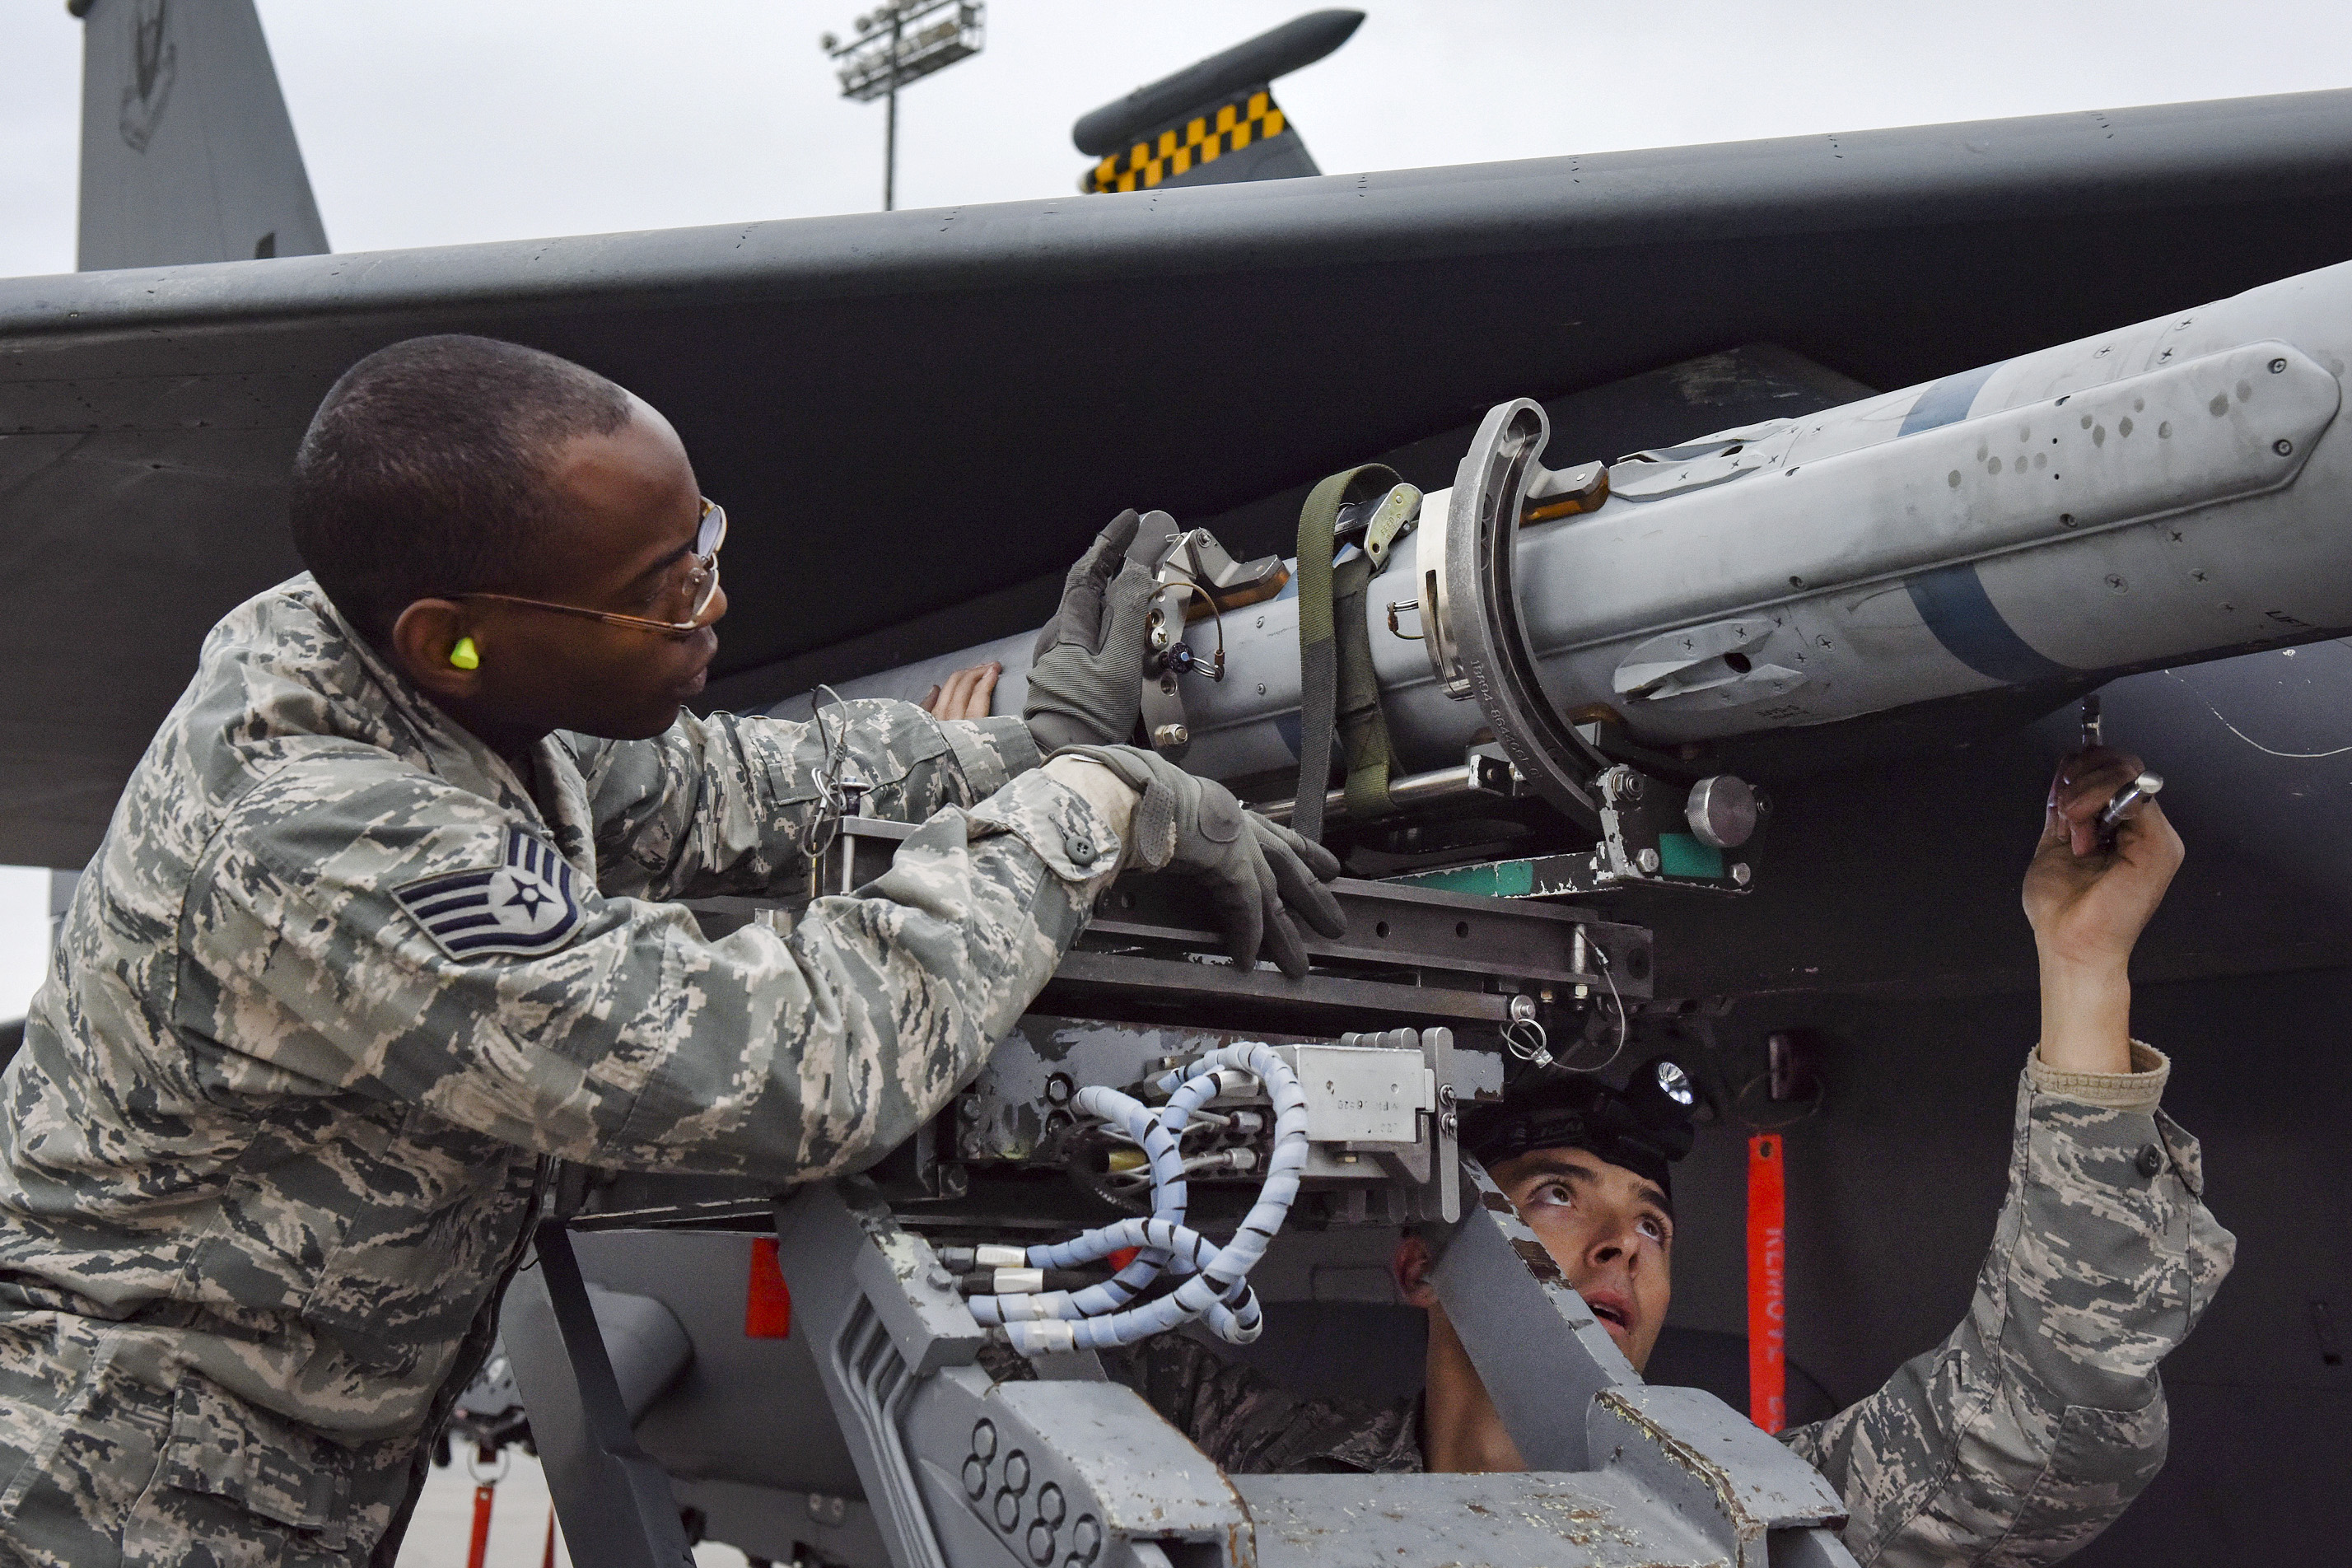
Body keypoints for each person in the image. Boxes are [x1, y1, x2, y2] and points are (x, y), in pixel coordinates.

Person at [0, 334, 1345, 1566]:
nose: (714, 603)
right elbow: (793, 1068)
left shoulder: (431, 667)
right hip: (113, 1505)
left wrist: (1028, 744)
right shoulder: (325, 839)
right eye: (667, 587)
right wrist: (1089, 811)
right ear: (452, 639)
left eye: (702, 541)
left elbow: (735, 787)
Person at [1067, 743, 2237, 1565]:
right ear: (1420, 1265)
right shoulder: (1260, 1458)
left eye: (1655, 1225)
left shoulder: (1737, 1515)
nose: (1623, 1241)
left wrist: (2085, 970)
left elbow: (2052, 1419)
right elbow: (1054, 1312)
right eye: (1561, 1195)